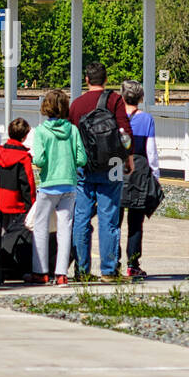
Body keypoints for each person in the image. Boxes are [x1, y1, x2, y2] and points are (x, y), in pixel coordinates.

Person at [68, 61, 133, 282]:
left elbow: (72, 137)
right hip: (113, 165)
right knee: (109, 217)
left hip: (83, 166)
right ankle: (109, 270)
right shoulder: (114, 100)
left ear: (86, 80)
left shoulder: (76, 104)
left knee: (81, 217)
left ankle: (82, 270)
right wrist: (129, 157)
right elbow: (124, 132)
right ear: (105, 80)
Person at [27, 90, 86, 286]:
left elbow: (40, 159)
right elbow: (81, 159)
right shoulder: (73, 130)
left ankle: (41, 271)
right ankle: (62, 273)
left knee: (41, 227)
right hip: (69, 184)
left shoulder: (42, 131)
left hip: (49, 185)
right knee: (64, 228)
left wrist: (38, 161)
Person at [120, 80, 160, 280]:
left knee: (114, 221)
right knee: (136, 221)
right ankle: (132, 264)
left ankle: (112, 262)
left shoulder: (115, 117)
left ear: (122, 96)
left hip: (117, 170)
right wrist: (156, 175)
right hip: (140, 172)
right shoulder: (147, 119)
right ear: (141, 98)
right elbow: (151, 152)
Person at [0, 117, 35, 232]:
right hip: (17, 204)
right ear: (24, 136)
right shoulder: (24, 158)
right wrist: (30, 206)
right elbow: (28, 185)